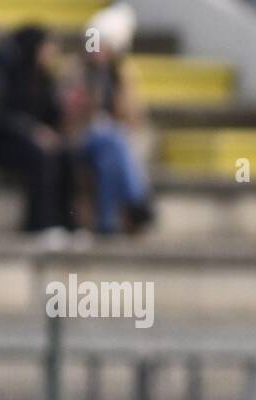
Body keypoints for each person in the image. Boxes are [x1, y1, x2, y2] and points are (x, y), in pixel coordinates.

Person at [0, 25, 75, 238]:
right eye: (48, 47)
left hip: (24, 140)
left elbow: (49, 117)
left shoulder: (43, 77)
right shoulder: (2, 68)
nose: (52, 53)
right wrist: (31, 131)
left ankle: (66, 224)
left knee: (65, 154)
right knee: (39, 157)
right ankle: (39, 226)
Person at [70, 3, 154, 234]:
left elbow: (135, 116)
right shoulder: (78, 73)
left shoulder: (120, 76)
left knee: (109, 157)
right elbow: (71, 116)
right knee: (114, 141)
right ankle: (137, 199)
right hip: (83, 137)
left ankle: (106, 222)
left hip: (110, 141)